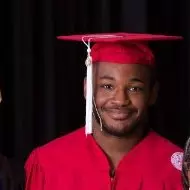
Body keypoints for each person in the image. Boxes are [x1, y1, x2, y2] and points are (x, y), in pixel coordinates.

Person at [25, 33, 184, 190]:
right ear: (87, 88)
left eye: (134, 88)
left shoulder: (179, 172)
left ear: (152, 94)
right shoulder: (48, 163)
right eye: (107, 86)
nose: (121, 100)